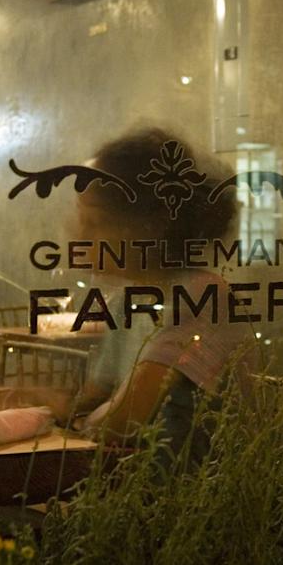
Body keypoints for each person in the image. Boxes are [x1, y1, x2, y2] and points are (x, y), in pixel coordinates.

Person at [71, 127, 249, 460]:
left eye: (94, 222)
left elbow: (126, 418)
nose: (80, 236)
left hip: (198, 498)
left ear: (149, 225)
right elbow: (95, 396)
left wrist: (80, 421)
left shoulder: (202, 297)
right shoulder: (129, 300)